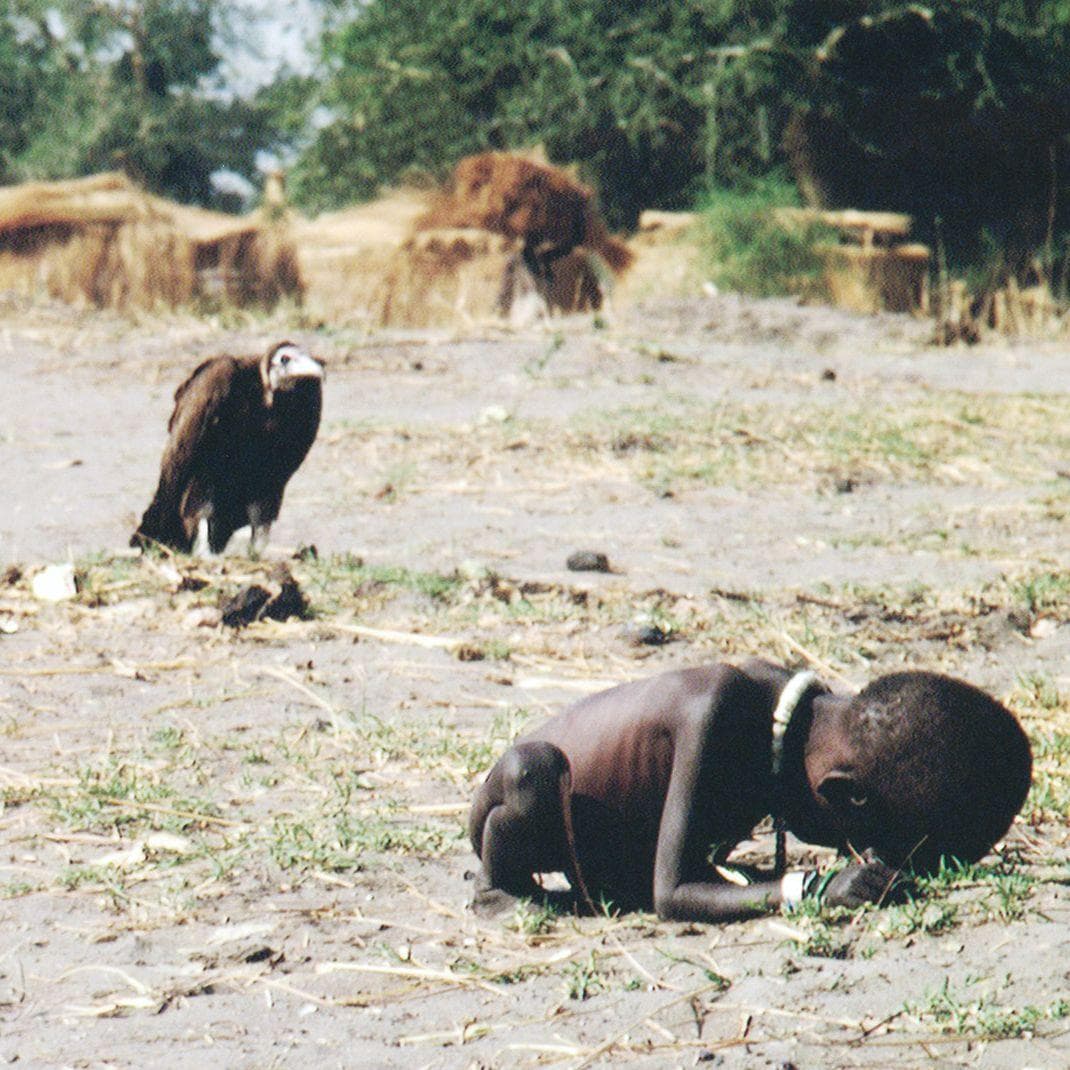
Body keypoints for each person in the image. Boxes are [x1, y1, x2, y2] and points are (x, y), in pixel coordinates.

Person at [467, 660, 1032, 921]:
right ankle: (497, 888)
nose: (853, 856)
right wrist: (808, 890)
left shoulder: (804, 722)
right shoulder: (721, 711)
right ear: (844, 796)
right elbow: (673, 894)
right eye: (860, 843)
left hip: (616, 843)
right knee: (531, 778)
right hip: (532, 805)